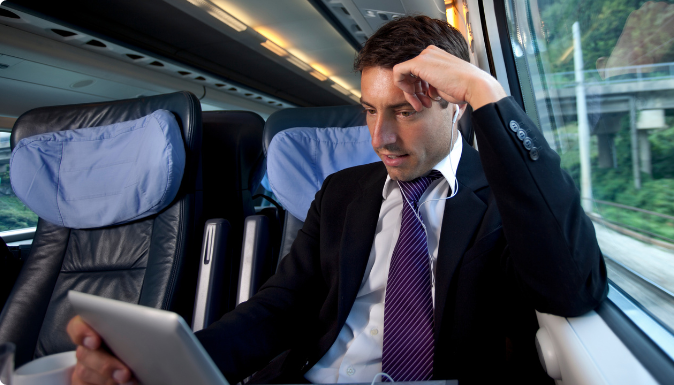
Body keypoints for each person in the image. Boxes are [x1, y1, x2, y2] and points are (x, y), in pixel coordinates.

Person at [67, 15, 607, 385]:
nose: (381, 138)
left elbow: (571, 287)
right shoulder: (343, 192)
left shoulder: (507, 197)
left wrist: (487, 89)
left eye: (406, 111)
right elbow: (283, 305)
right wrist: (176, 365)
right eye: (370, 110)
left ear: (456, 106)